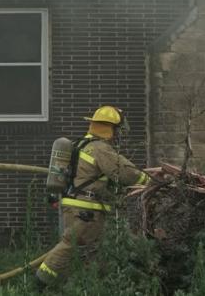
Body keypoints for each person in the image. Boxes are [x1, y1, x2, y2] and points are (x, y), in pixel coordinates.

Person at [35, 105, 151, 289]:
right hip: (86, 210)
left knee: (94, 250)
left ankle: (90, 286)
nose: (119, 134)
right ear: (110, 128)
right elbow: (125, 173)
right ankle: (39, 283)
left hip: (75, 206)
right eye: (118, 129)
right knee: (70, 246)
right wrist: (150, 181)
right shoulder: (100, 149)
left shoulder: (79, 144)